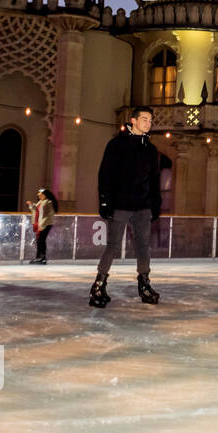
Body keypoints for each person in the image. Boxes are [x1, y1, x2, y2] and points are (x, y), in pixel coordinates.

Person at [90, 106, 162, 307]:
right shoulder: (116, 144)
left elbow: (154, 180)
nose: (149, 123)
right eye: (145, 119)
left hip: (143, 205)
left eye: (150, 120)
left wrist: (155, 203)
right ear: (133, 120)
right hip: (120, 204)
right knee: (112, 245)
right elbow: (105, 175)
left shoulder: (151, 149)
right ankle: (99, 285)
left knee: (143, 245)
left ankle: (144, 284)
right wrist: (105, 201)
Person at [27, 188, 58, 264]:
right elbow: (35, 209)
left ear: (44, 195)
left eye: (40, 194)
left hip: (45, 224)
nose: (39, 196)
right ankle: (39, 257)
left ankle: (42, 257)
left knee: (41, 240)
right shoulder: (40, 202)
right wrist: (31, 205)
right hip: (40, 223)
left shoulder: (48, 202)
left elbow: (49, 214)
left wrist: (42, 225)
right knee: (39, 240)